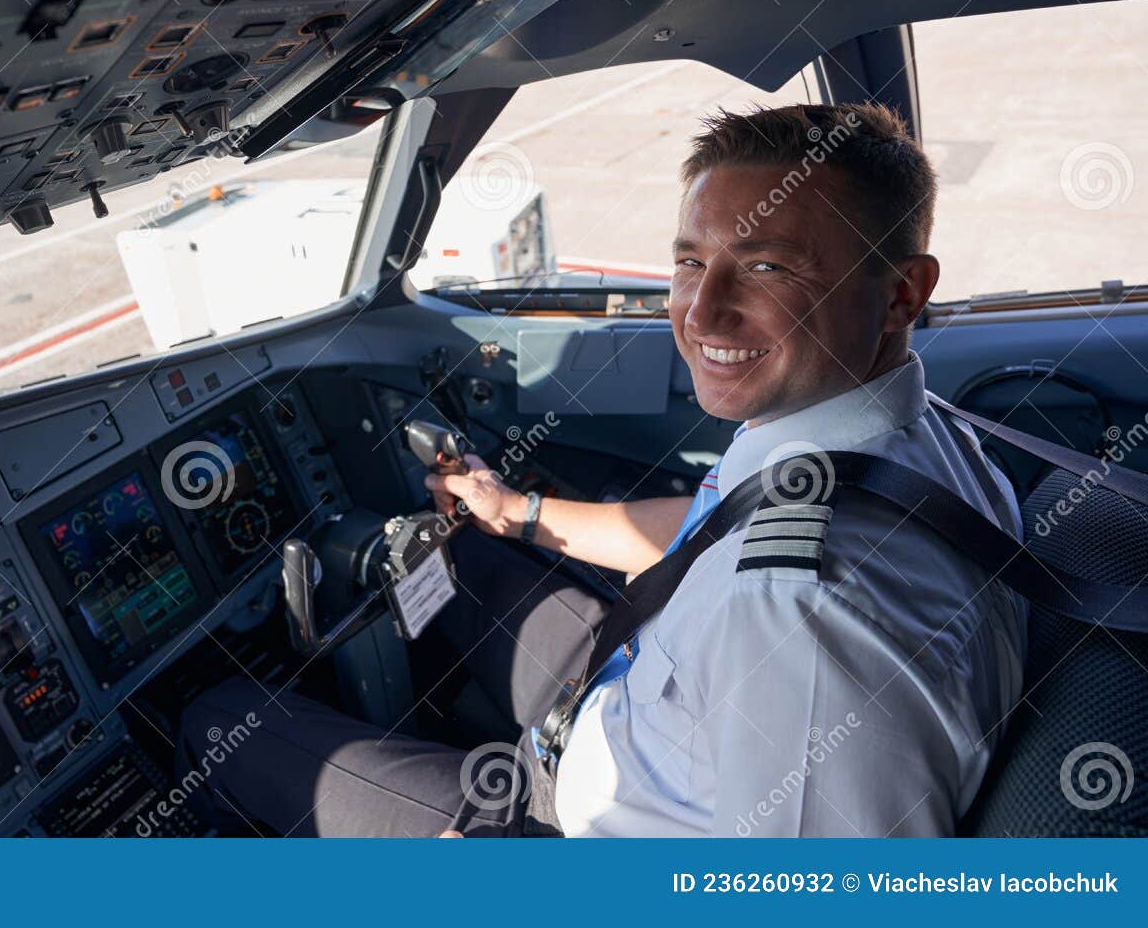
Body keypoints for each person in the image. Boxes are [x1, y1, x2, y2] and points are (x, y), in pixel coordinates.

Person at [179, 102, 1026, 836]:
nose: (700, 310)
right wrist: (516, 509)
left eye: (767, 265)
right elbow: (714, 522)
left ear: (902, 293)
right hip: (641, 704)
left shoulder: (803, 618)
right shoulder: (892, 434)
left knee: (220, 722)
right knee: (454, 552)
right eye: (691, 261)